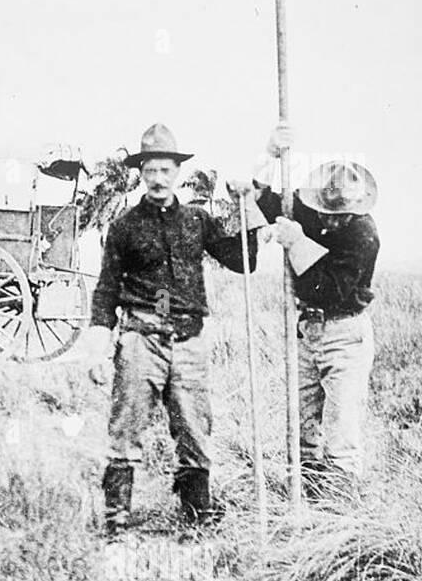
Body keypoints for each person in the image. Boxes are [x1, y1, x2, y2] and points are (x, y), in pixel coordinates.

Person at [83, 123, 266, 535]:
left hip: (189, 343)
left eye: (166, 170)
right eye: (150, 170)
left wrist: (249, 207)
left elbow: (244, 261)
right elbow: (107, 287)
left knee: (195, 429)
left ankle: (196, 515)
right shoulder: (125, 226)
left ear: (177, 173)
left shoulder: (197, 221)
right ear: (141, 173)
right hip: (140, 341)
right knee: (126, 429)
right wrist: (97, 343)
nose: (158, 179)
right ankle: (116, 520)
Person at [250, 145, 380, 503]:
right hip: (306, 333)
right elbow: (264, 197)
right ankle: (305, 502)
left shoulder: (363, 236)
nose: (331, 222)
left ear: (356, 210)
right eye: (326, 213)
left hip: (344, 333)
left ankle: (338, 517)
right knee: (303, 427)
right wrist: (269, 151)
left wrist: (296, 243)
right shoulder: (309, 209)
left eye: (340, 216)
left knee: (341, 433)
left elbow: (329, 290)